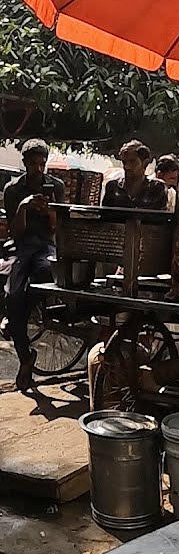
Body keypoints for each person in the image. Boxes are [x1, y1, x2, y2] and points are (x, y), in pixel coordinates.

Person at [3, 139, 66, 391]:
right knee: (13, 289)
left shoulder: (56, 186)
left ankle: (16, 314)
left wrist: (50, 211)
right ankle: (24, 355)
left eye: (42, 164)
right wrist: (24, 207)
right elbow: (15, 232)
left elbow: (56, 228)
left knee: (40, 274)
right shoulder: (12, 189)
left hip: (45, 246)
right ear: (25, 163)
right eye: (33, 164)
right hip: (21, 245)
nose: (38, 169)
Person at [103, 140, 170, 211]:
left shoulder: (157, 188)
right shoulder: (113, 187)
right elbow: (105, 217)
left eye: (132, 162)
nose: (127, 167)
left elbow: (161, 218)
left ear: (145, 163)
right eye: (124, 162)